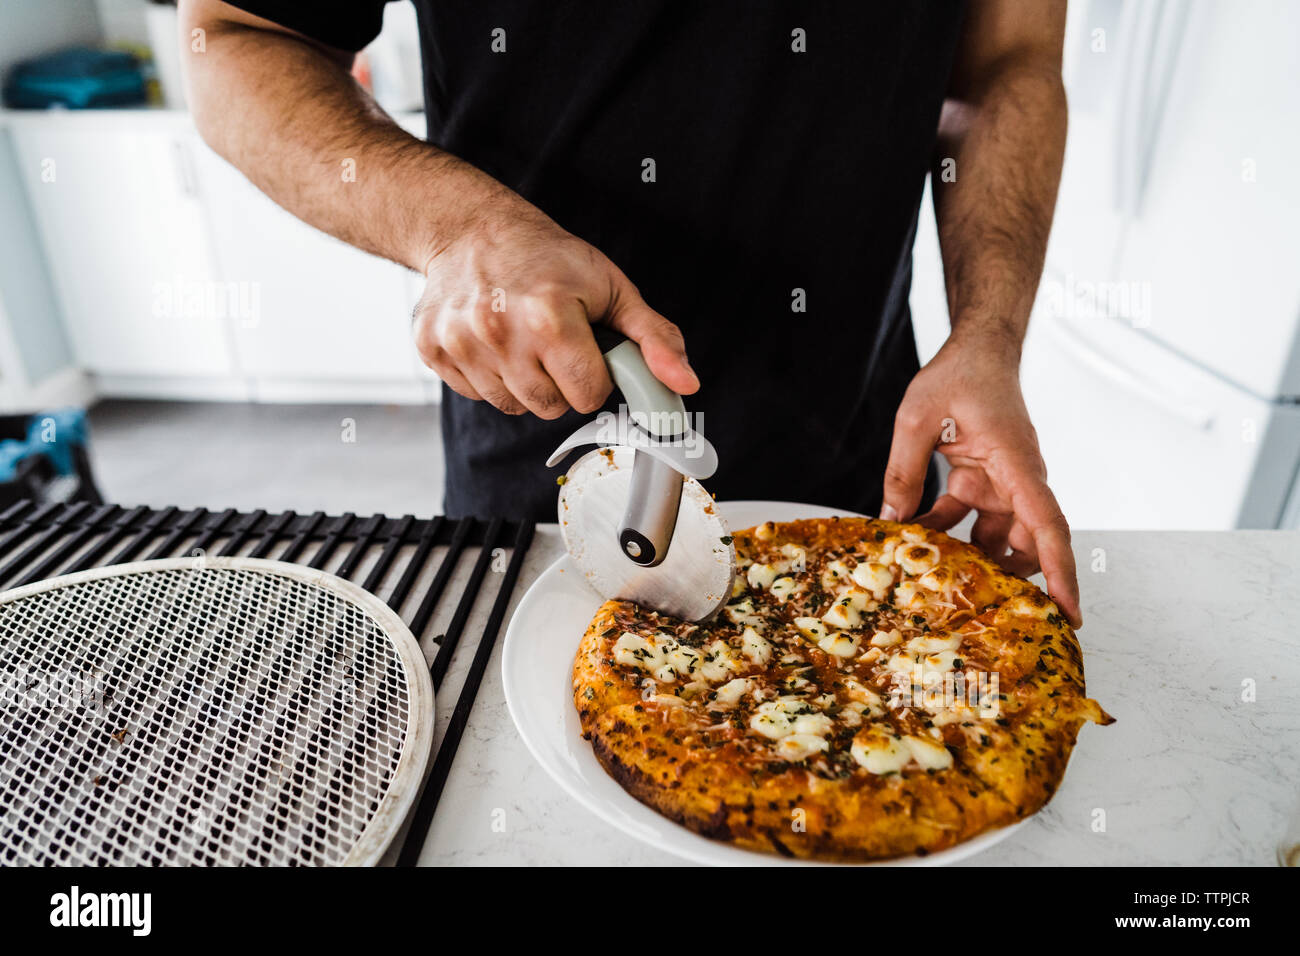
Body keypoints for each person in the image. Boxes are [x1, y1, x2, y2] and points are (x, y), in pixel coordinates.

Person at [179, 0, 1081, 626]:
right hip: (538, 446)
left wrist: (988, 337)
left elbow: (1009, 63)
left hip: (866, 446)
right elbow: (229, 38)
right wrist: (459, 229)